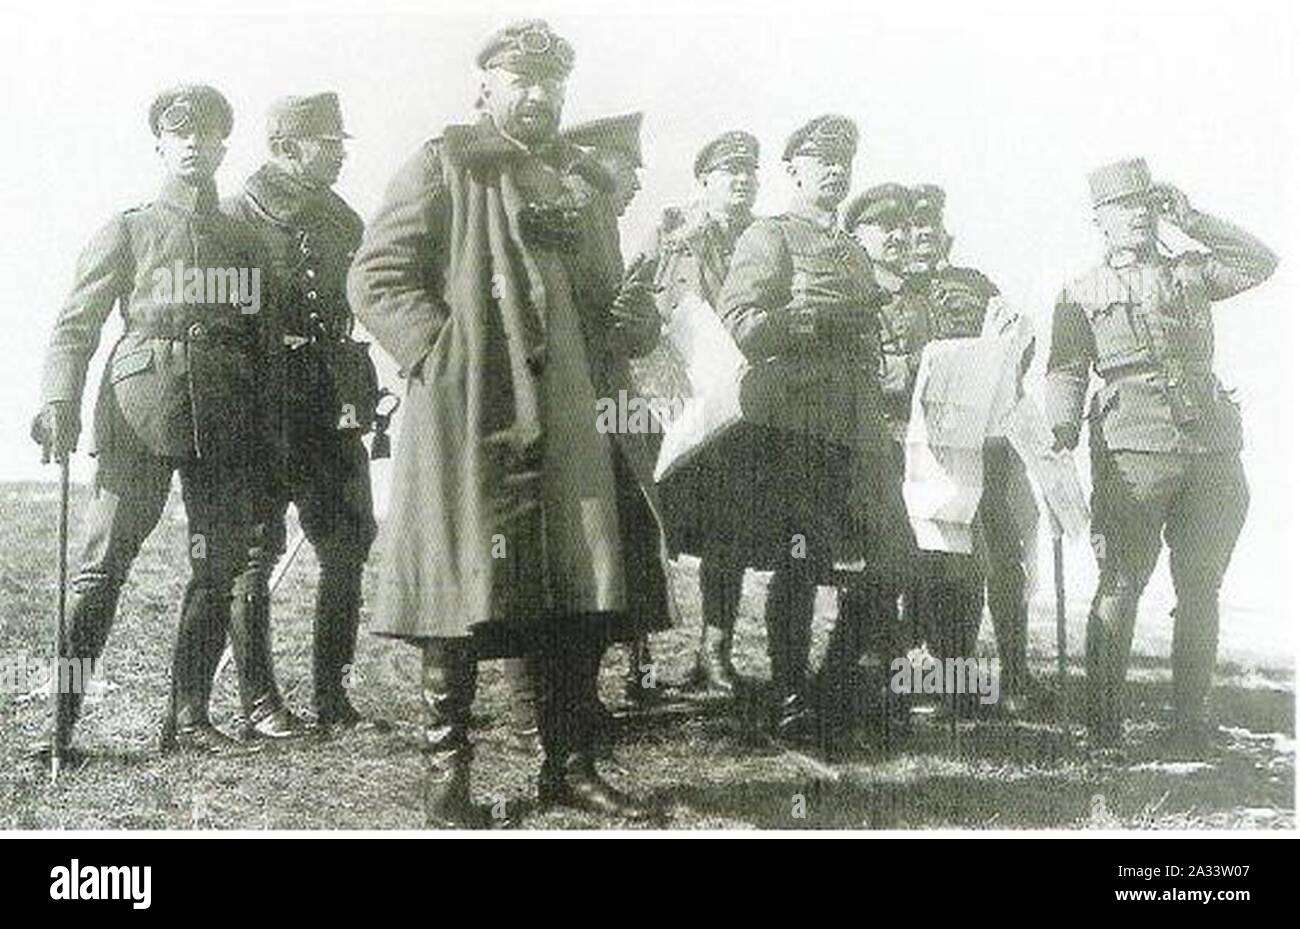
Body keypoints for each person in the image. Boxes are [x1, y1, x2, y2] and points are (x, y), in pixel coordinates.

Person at [347, 19, 667, 826]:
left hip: (572, 419)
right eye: (520, 80)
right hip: (471, 417)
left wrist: (634, 320)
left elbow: (603, 292)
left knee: (582, 583)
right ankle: (446, 785)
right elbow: (376, 276)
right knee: (460, 590)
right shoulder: (444, 165)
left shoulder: (582, 182)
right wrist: (441, 352)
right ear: (485, 87)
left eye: (552, 82)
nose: (539, 95)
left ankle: (568, 767)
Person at [31, 84, 277, 757]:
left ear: (225, 145)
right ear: (160, 144)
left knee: (217, 565)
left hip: (225, 415)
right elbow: (74, 325)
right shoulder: (129, 228)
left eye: (209, 134)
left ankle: (191, 718)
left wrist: (268, 426)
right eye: (181, 133)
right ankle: (60, 721)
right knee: (101, 568)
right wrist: (59, 401)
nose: (195, 144)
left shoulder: (244, 240)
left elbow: (263, 339)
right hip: (139, 412)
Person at [1044, 157, 1277, 750]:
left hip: (1211, 450)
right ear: (1100, 219)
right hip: (1133, 451)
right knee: (1122, 580)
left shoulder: (1192, 273)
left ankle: (1190, 719)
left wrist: (1192, 217)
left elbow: (1261, 262)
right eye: (1125, 207)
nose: (1139, 215)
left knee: (1201, 584)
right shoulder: (1077, 291)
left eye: (1148, 203)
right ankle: (1103, 725)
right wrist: (1062, 430)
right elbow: (1068, 370)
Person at [717, 115, 910, 752]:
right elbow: (740, 321)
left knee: (889, 554)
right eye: (821, 159)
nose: (835, 170)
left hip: (858, 429)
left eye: (843, 161)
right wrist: (805, 320)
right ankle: (791, 693)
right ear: (794, 169)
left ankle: (840, 680)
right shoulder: (770, 235)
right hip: (794, 424)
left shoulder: (855, 251)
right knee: (800, 560)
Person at [222, 92, 381, 738]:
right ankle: (260, 702)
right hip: (261, 410)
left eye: (341, 142)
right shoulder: (233, 218)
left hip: (332, 411)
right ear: (287, 149)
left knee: (347, 545)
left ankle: (333, 697)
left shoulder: (342, 219)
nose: (341, 153)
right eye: (329, 143)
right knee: (254, 552)